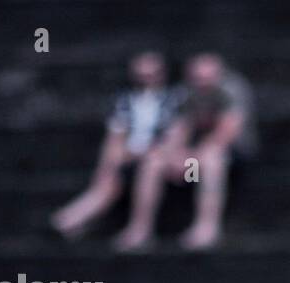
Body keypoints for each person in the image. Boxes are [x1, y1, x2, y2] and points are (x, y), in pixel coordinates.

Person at [114, 52, 254, 251]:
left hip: (229, 154)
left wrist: (192, 158)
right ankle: (140, 229)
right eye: (198, 79)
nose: (203, 84)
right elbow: (177, 130)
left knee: (213, 158)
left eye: (208, 78)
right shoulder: (184, 93)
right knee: (154, 160)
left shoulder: (233, 90)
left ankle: (207, 228)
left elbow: (226, 133)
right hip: (193, 161)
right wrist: (174, 155)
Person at [51, 51, 181, 239]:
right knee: (108, 182)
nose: (147, 81)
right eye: (142, 77)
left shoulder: (175, 99)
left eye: (152, 75)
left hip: (162, 158)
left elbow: (176, 136)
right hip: (131, 157)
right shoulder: (124, 101)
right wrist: (106, 168)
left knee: (152, 165)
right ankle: (66, 221)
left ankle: (140, 229)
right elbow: (114, 139)